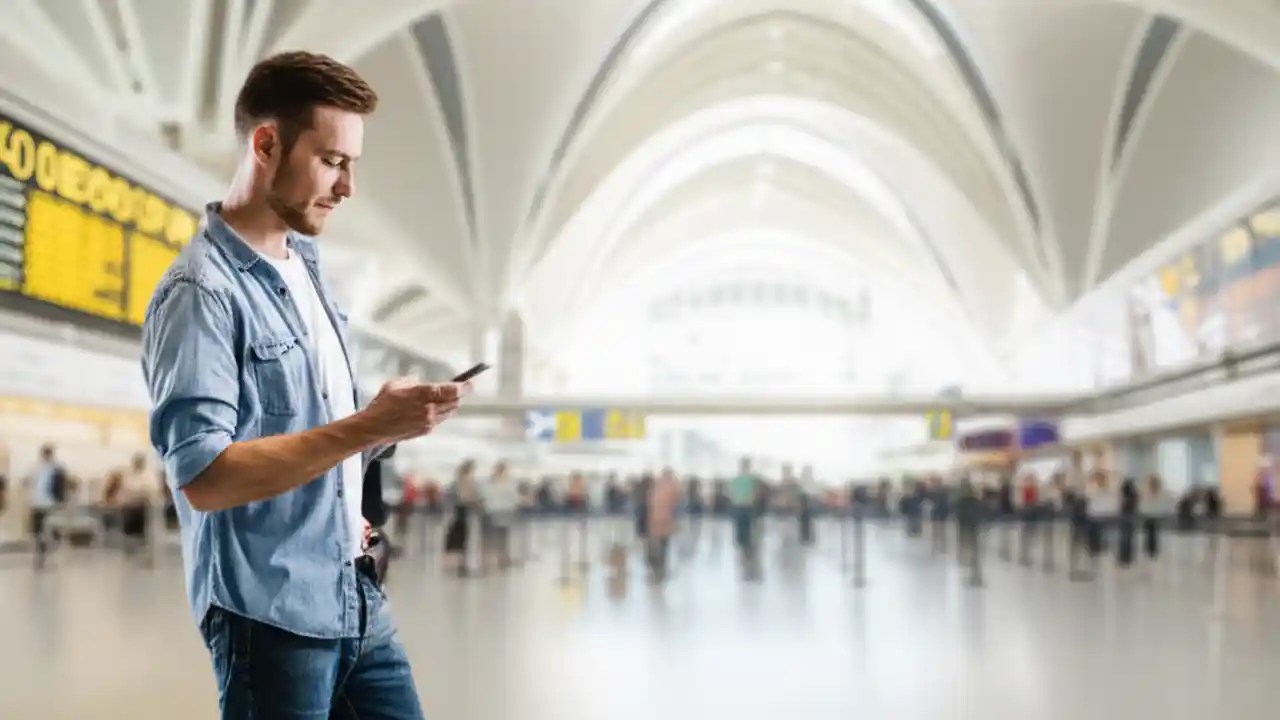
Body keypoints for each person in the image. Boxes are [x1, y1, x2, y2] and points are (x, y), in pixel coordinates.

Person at [140, 52, 470, 720]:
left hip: (353, 592)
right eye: (332, 161)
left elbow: (300, 435)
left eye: (351, 165)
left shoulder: (310, 270)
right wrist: (368, 427)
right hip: (271, 617)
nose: (347, 186)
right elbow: (207, 476)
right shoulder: (201, 292)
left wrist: (370, 449)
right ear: (266, 144)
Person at [24, 443, 65, 570]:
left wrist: (60, 500)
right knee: (38, 531)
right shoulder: (37, 467)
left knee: (47, 530)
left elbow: (61, 487)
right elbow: (30, 483)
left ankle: (45, 554)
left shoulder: (56, 468)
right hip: (38, 503)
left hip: (49, 504)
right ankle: (40, 556)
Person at [481, 461, 520, 572]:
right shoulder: (507, 484)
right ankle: (497, 558)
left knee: (501, 536)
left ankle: (500, 558)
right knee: (497, 536)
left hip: (498, 511)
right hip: (499, 511)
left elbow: (485, 497)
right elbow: (514, 497)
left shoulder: (491, 483)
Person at [647, 468, 682, 583]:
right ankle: (660, 570)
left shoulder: (656, 487)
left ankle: (656, 570)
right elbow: (676, 500)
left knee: (657, 545)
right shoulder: (671, 487)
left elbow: (651, 503)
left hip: (655, 521)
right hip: (664, 521)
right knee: (663, 546)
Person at [445, 459, 479, 576]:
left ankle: (460, 563)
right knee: (459, 538)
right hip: (461, 512)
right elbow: (463, 496)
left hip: (461, 512)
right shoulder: (462, 482)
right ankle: (458, 564)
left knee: (460, 538)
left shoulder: (460, 481)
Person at [729, 457, 761, 580]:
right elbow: (732, 492)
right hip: (740, 507)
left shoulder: (751, 479)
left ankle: (748, 555)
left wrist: (750, 499)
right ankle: (745, 555)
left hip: (745, 507)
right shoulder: (738, 480)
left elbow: (755, 492)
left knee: (746, 534)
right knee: (742, 534)